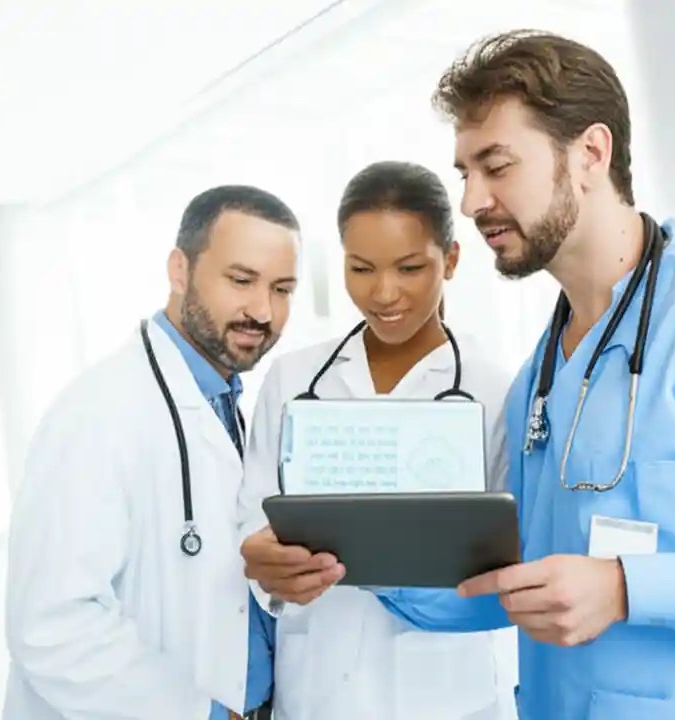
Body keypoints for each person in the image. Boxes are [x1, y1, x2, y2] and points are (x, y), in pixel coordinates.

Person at [261, 30, 675, 720]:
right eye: (464, 173)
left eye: (497, 165)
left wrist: (627, 587)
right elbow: (517, 581)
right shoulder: (539, 380)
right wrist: (337, 558)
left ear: (590, 153)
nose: (472, 200)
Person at [3, 185, 301, 720]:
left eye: (282, 289)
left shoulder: (221, 400)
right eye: (241, 280)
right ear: (179, 270)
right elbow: (51, 626)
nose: (263, 310)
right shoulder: (98, 414)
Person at [238, 161, 519, 720]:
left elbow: (515, 559)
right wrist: (265, 566)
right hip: (318, 694)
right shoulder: (294, 381)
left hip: (446, 699)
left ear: (452, 260)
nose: (384, 293)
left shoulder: (495, 391)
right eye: (361, 268)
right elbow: (250, 525)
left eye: (410, 267)